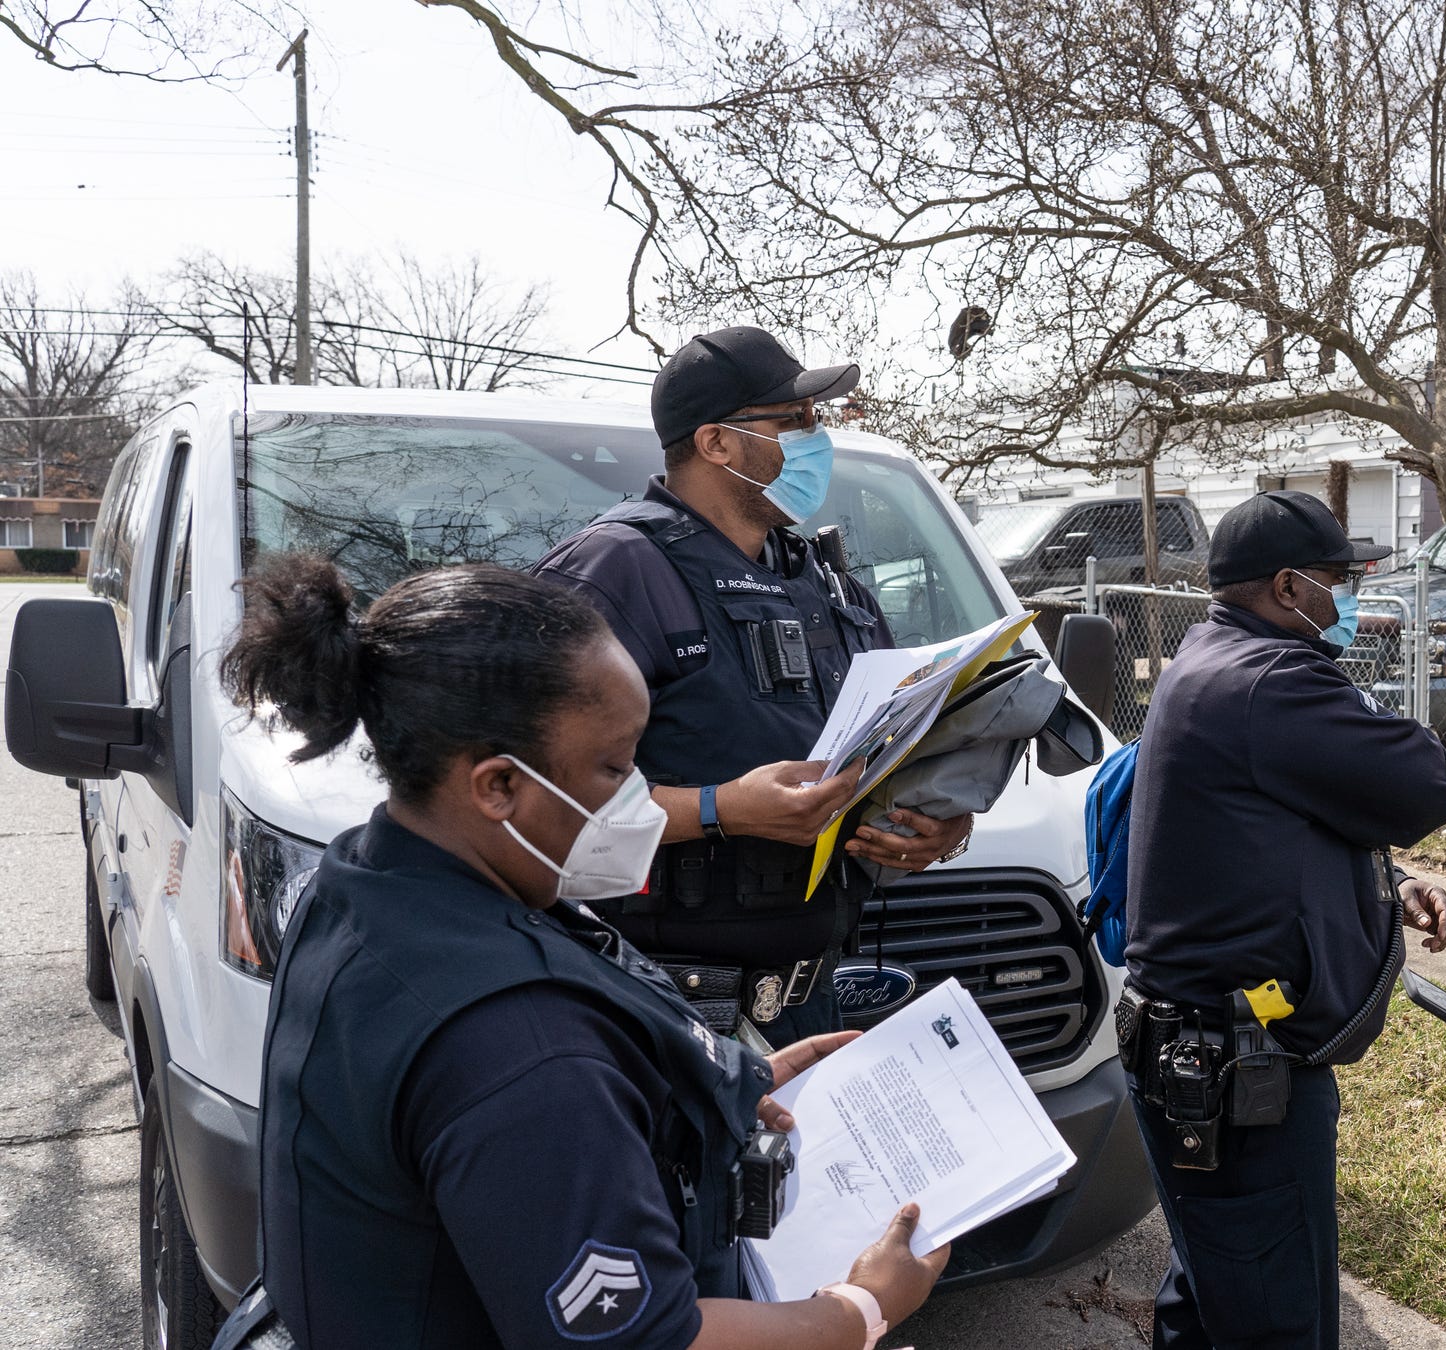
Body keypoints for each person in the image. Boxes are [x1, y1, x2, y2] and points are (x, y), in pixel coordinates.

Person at [217, 556, 946, 1349]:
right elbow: (643, 1341)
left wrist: (719, 1091)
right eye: (613, 765)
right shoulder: (517, 1050)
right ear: (497, 785)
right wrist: (859, 1310)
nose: (638, 792)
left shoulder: (369, 877)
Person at [534, 327, 972, 1047]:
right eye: (793, 420)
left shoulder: (826, 583)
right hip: (659, 1016)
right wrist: (721, 810)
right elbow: (535, 805)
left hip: (810, 1004)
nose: (816, 436)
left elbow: (883, 755)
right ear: (716, 444)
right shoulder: (613, 571)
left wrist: (934, 830)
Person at [1122, 489, 1446, 1350]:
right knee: (1278, 1323)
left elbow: (1273, 824)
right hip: (1239, 1073)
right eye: (1338, 581)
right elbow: (1421, 787)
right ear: (1285, 588)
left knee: (1211, 1300)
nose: (1350, 599)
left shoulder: (1204, 657)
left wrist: (1388, 883)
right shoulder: (1273, 679)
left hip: (1195, 1054)